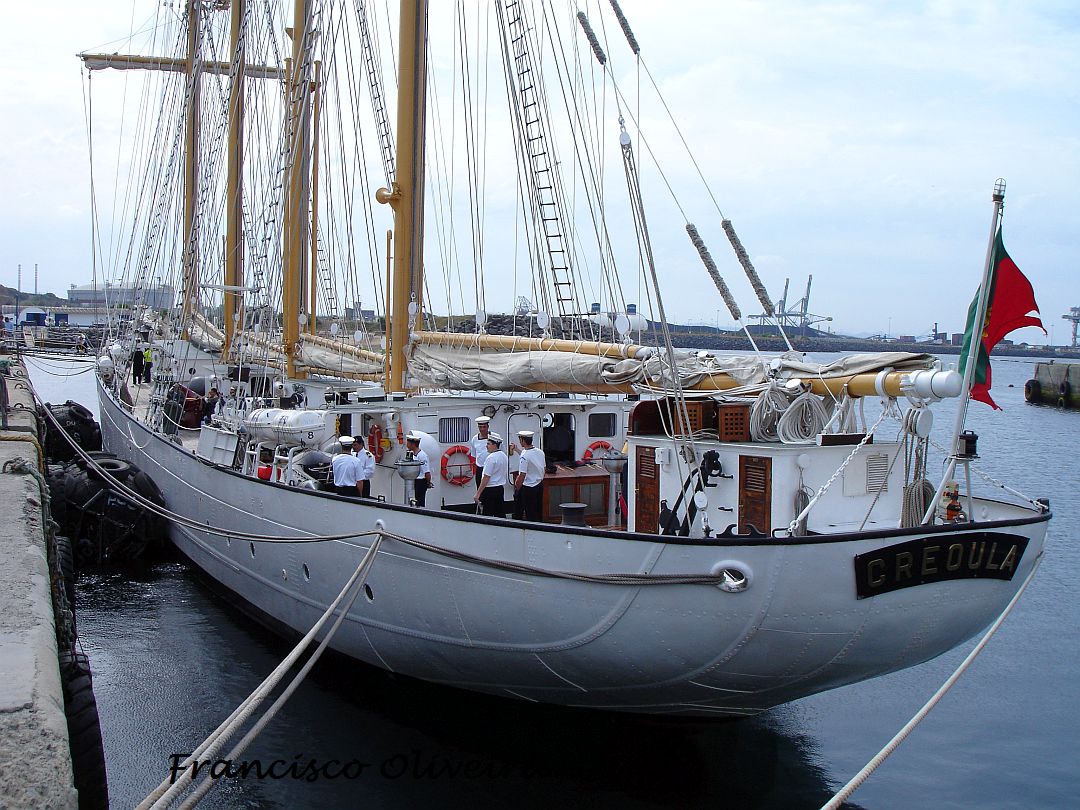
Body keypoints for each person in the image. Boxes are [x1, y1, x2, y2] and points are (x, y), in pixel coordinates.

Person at [513, 430, 546, 521]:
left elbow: (522, 475)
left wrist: (517, 487)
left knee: (530, 512)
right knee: (538, 510)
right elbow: (544, 468)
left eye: (520, 439)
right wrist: (516, 450)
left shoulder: (525, 455)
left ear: (523, 440)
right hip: (539, 485)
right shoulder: (540, 452)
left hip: (529, 488)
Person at [473, 432, 508, 517]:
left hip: (490, 490)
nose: (486, 446)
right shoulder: (503, 456)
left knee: (487, 514)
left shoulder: (491, 458)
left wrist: (478, 493)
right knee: (500, 513)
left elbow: (486, 477)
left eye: (488, 444)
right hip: (500, 488)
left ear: (494, 445)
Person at [405, 433, 432, 507]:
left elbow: (427, 472)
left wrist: (428, 482)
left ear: (413, 444)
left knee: (420, 501)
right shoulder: (411, 454)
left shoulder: (422, 456)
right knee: (413, 500)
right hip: (413, 480)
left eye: (408, 443)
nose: (407, 445)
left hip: (421, 481)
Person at [470, 416, 491, 487]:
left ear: (488, 426)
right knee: (480, 491)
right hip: (480, 469)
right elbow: (474, 455)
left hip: (492, 468)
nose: (482, 429)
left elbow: (501, 452)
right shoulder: (474, 439)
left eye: (484, 427)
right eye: (480, 427)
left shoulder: (495, 437)